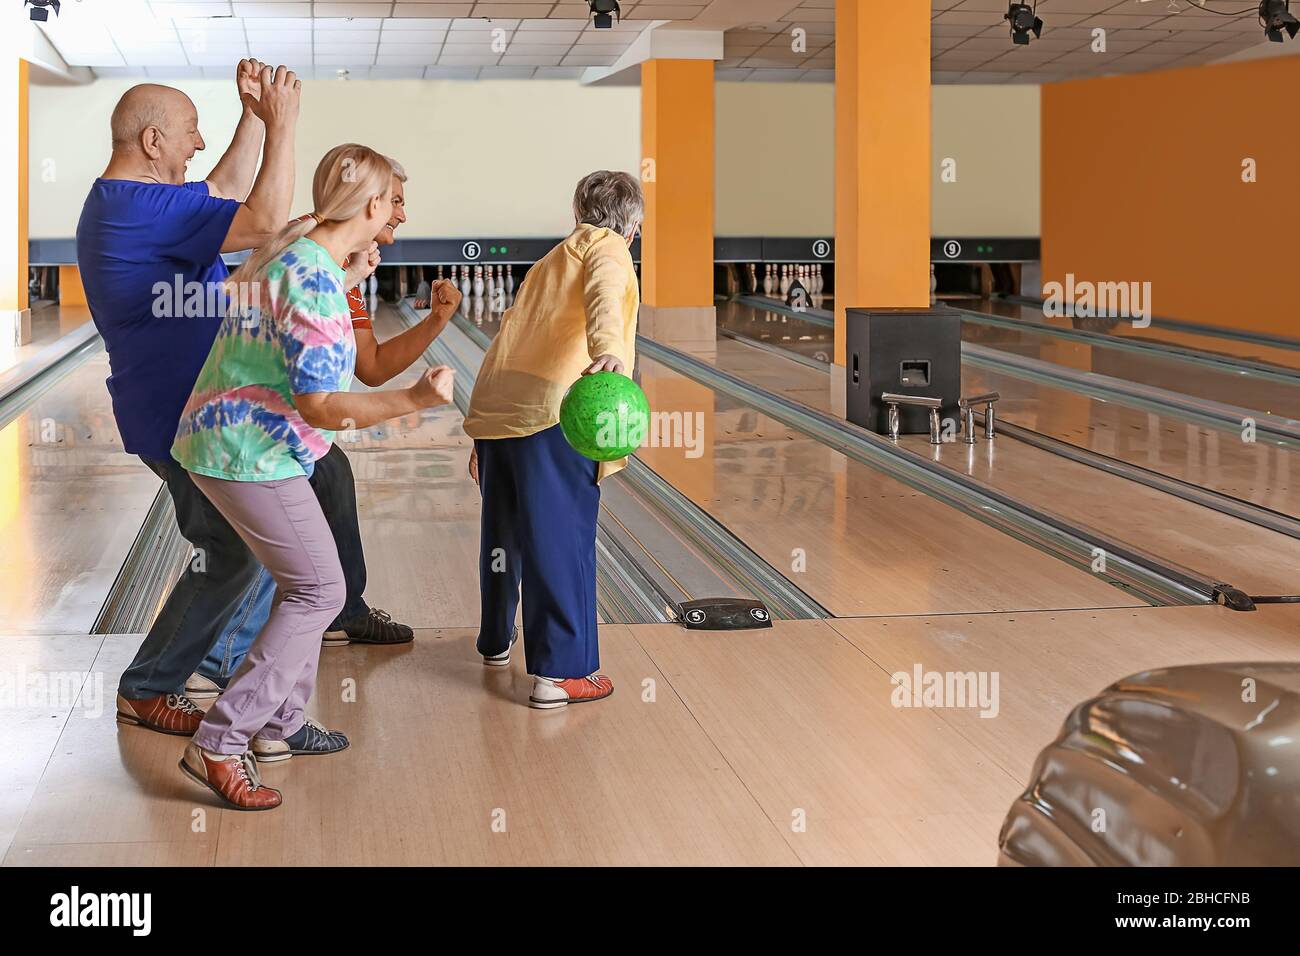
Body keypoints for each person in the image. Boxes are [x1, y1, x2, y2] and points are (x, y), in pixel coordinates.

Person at [173, 144, 455, 810]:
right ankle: (220, 739)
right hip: (249, 452)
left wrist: (351, 279)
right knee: (321, 589)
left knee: (304, 582)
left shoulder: (299, 253)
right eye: (394, 201)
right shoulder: (315, 279)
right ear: (373, 205)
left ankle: (279, 725)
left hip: (231, 442)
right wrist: (415, 400)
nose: (400, 213)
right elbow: (322, 406)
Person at [75, 63, 337, 737]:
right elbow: (260, 216)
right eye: (191, 133)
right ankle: (160, 684)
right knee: (234, 552)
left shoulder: (133, 202)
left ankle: (213, 672)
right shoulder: (138, 207)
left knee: (241, 547)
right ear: (155, 140)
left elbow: (221, 189)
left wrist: (251, 114)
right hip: (176, 415)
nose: (198, 144)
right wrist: (284, 123)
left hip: (189, 411)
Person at [463, 170, 642, 709]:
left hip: (499, 409)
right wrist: (608, 350)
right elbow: (605, 295)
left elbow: (512, 334)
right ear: (632, 227)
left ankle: (496, 639)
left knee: (503, 534)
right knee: (560, 538)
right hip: (552, 412)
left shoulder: (549, 260)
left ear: (576, 211)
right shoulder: (609, 247)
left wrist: (482, 429)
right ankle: (560, 672)